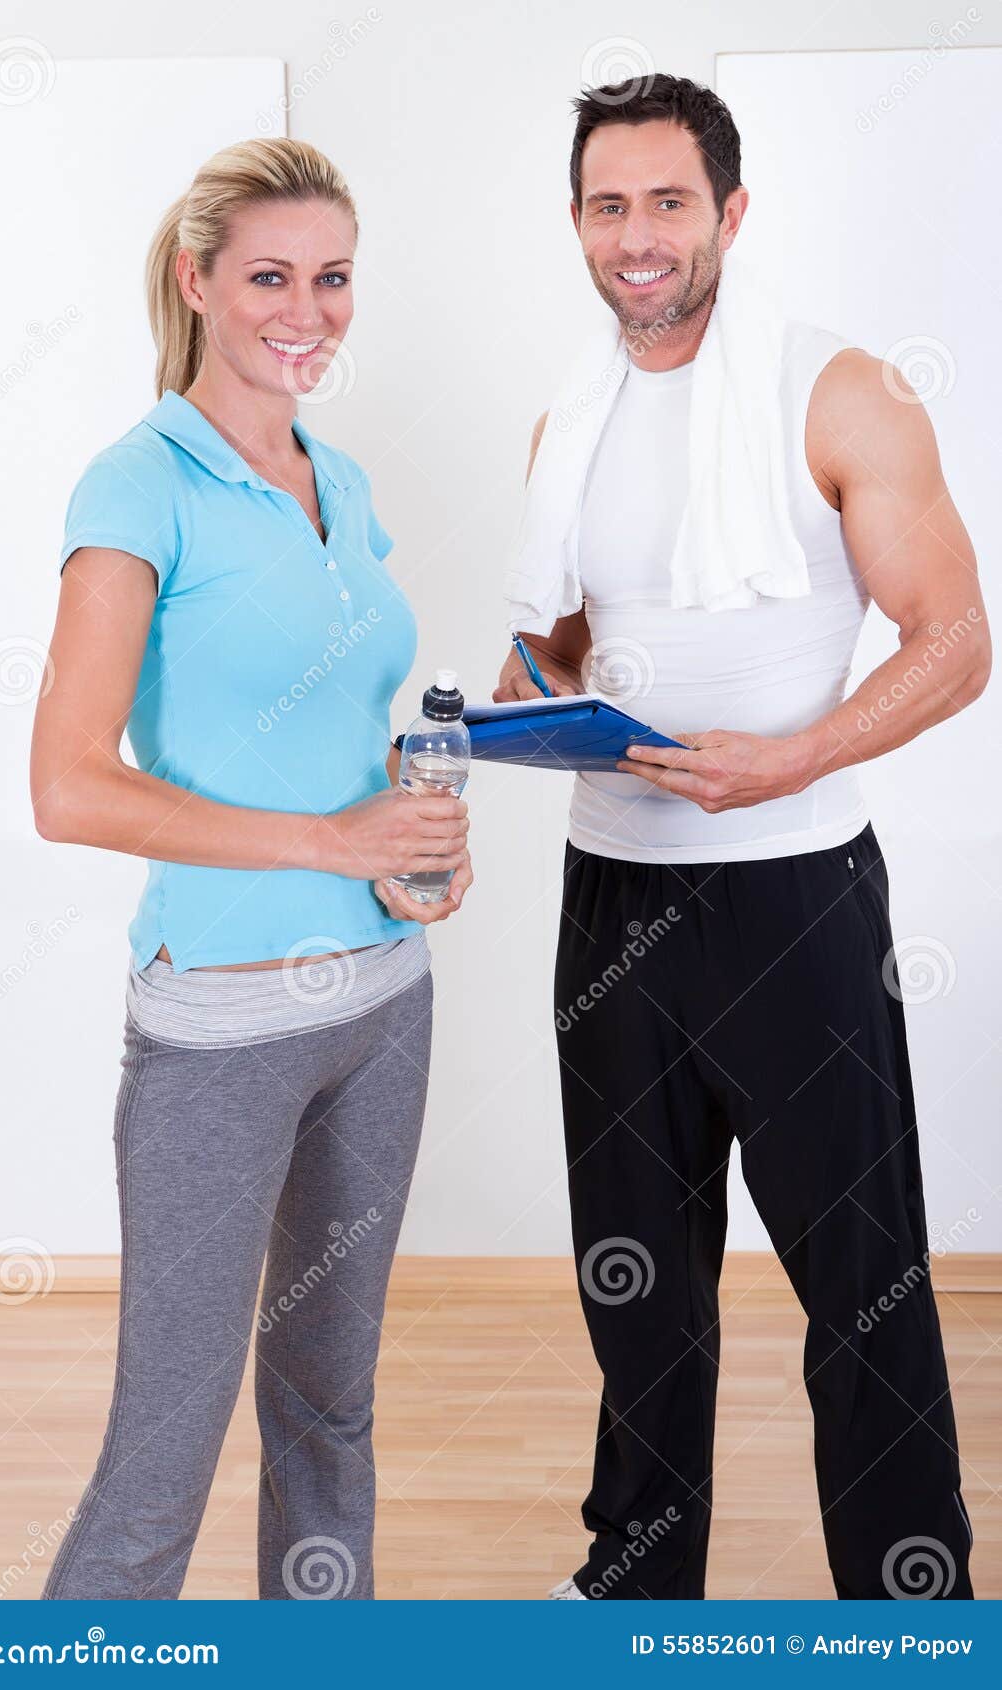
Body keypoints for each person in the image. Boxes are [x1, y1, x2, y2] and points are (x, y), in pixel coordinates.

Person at [494, 74, 987, 1601]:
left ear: (731, 211)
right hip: (612, 897)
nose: (637, 235)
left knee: (863, 1277)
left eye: (668, 201)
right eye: (609, 205)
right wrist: (491, 716)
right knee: (636, 1281)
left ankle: (907, 1606)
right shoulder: (566, 420)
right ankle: (636, 1592)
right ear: (577, 222)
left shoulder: (841, 392)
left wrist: (794, 758)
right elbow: (556, 647)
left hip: (795, 898)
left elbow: (955, 636)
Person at [30, 137, 471, 1600]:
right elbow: (68, 784)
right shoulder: (138, 483)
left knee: (331, 1415)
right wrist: (332, 840)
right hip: (219, 1022)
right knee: (163, 1457)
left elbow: (342, 725)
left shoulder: (336, 475)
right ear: (197, 281)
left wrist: (413, 831)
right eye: (271, 276)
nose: (308, 310)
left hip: (383, 999)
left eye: (333, 278)